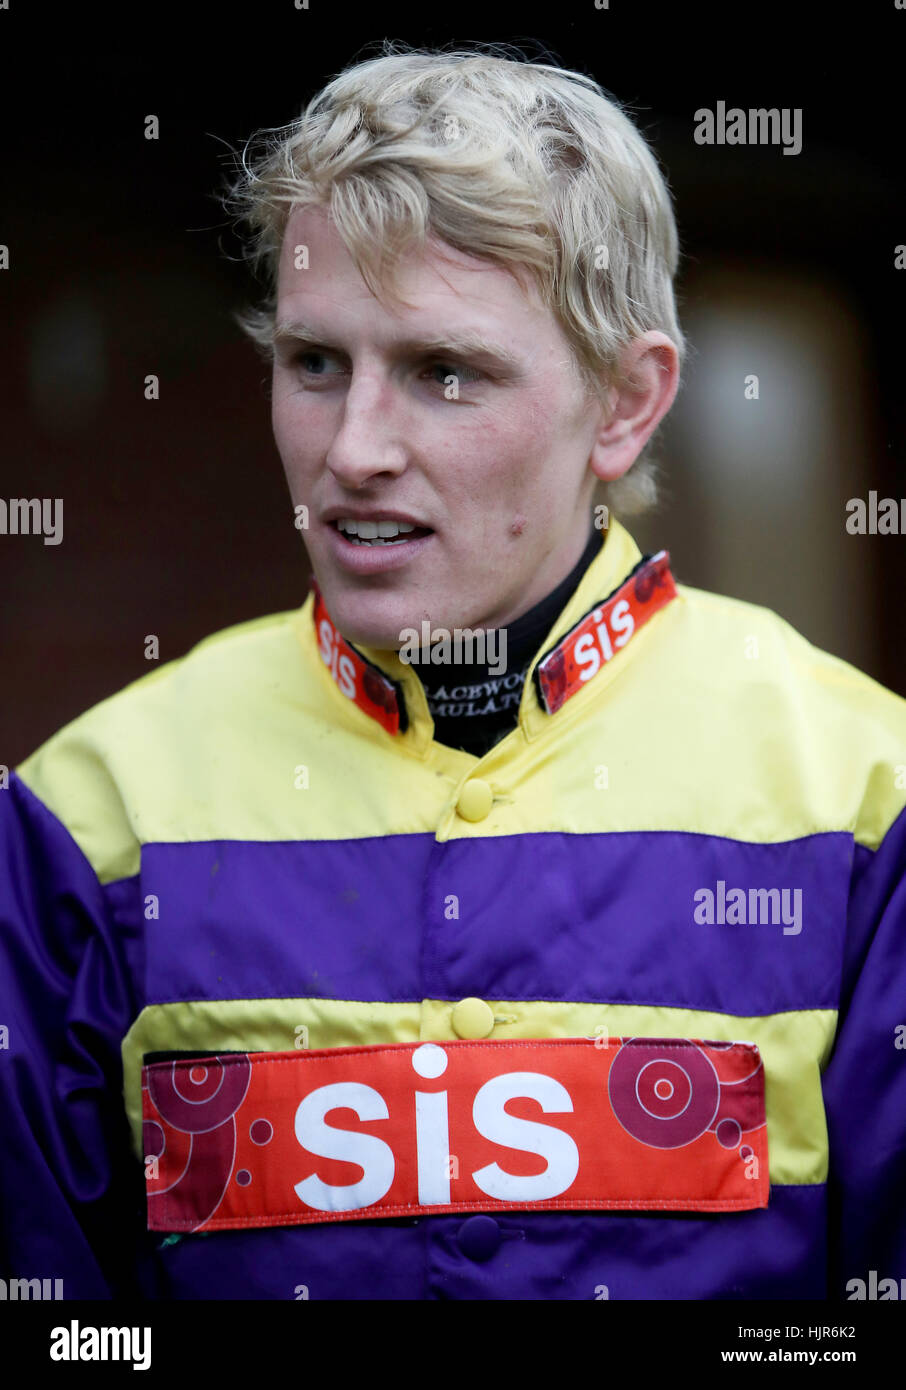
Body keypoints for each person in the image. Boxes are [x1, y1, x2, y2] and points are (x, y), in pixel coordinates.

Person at [2, 45, 904, 1302]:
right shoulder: (83, 817)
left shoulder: (865, 796)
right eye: (316, 363)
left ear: (628, 405)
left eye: (444, 372)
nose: (354, 449)